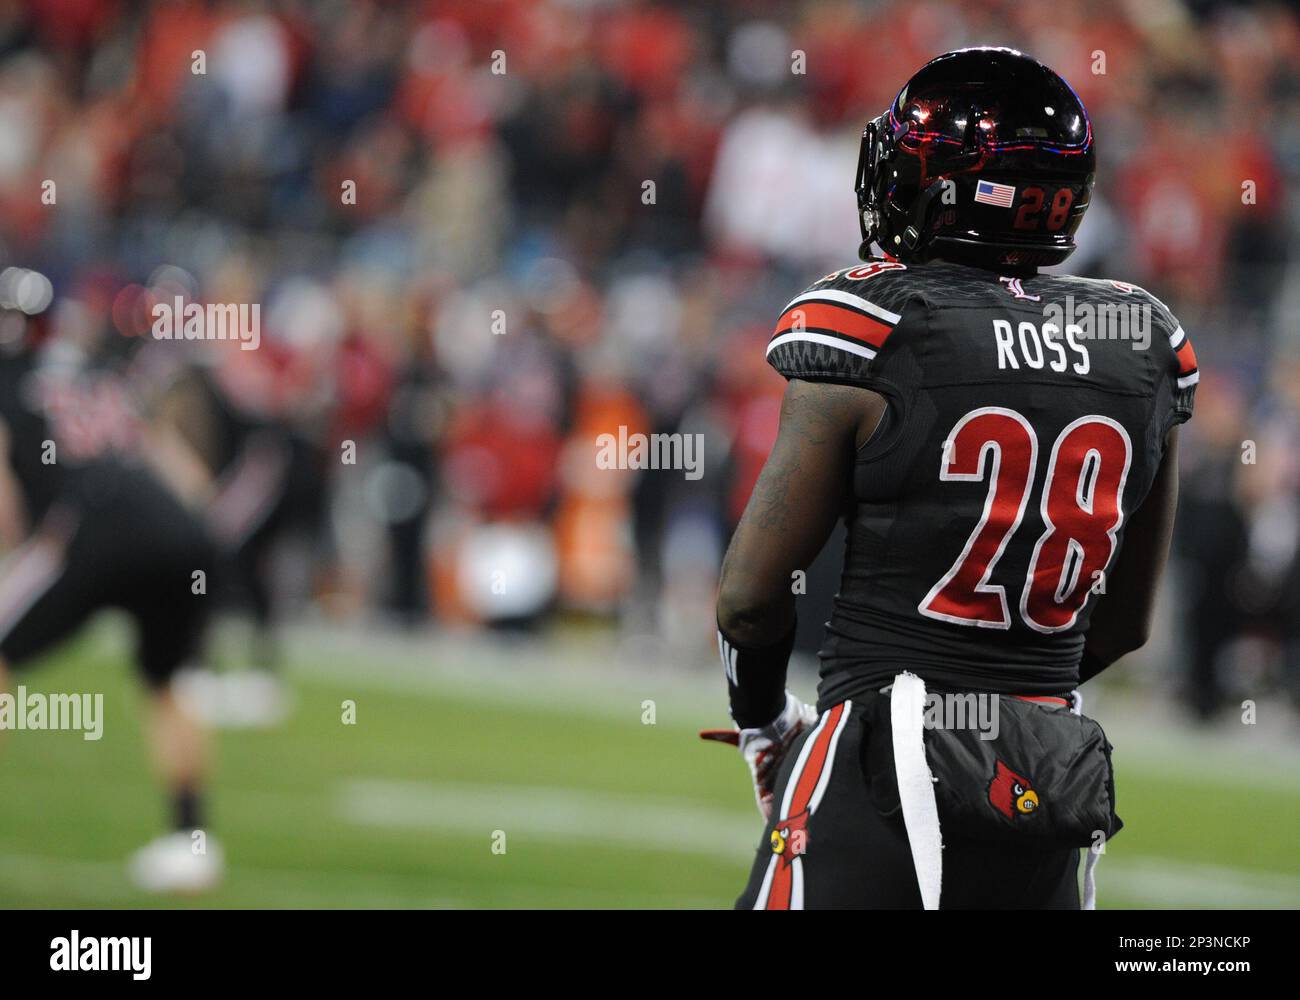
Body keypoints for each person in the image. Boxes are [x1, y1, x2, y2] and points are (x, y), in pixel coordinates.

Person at [705, 48, 1196, 909]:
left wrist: (763, 721)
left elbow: (750, 595)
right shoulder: (1142, 341)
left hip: (878, 754)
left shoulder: (876, 321)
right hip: (1049, 769)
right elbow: (1122, 624)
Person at [0, 297, 223, 893]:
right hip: (179, 527)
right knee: (167, 684)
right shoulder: (96, 376)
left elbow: (4, 500)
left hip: (92, 521)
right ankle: (191, 842)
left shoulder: (14, 381)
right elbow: (180, 469)